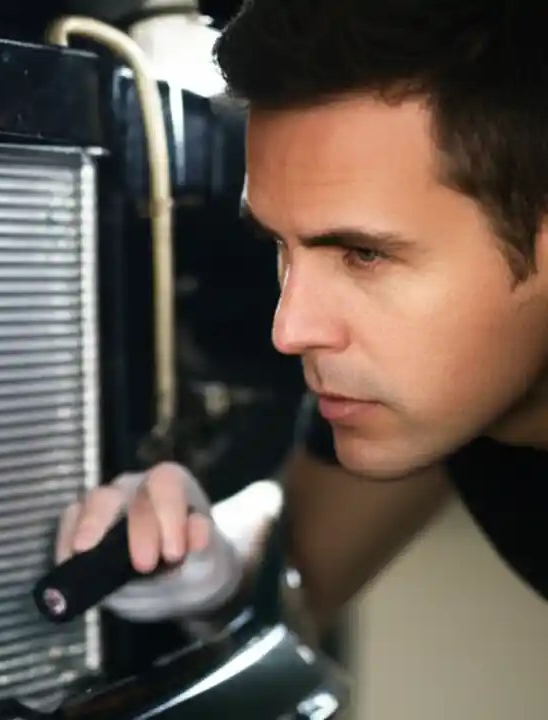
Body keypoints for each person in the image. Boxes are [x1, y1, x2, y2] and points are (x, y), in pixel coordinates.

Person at [59, 0, 548, 639]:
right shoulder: (450, 391)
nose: (289, 331)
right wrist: (210, 559)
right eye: (279, 246)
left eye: (364, 254)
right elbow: (302, 572)